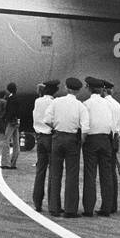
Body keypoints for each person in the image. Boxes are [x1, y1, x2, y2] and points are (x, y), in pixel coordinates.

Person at [44, 77, 88, 217]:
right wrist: (80, 140)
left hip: (57, 137)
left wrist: (56, 128)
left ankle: (54, 208)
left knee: (55, 173)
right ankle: (70, 209)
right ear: (78, 90)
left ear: (66, 88)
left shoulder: (56, 102)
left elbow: (46, 120)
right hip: (72, 139)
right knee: (72, 175)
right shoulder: (80, 106)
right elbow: (85, 128)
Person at [80, 77, 118, 217]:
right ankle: (106, 208)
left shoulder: (86, 104)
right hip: (106, 139)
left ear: (89, 88)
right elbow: (113, 125)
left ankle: (88, 208)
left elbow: (84, 124)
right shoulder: (108, 104)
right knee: (106, 174)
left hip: (91, 139)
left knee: (90, 174)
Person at [31, 81, 58, 212]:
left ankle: (37, 202)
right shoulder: (54, 103)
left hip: (39, 137)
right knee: (53, 172)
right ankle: (53, 205)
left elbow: (35, 116)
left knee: (40, 171)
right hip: (50, 137)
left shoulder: (38, 101)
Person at [101, 80, 120, 214]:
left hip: (105, 138)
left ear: (103, 91)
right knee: (112, 173)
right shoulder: (117, 104)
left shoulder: (104, 104)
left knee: (105, 174)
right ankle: (113, 204)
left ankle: (106, 206)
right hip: (115, 139)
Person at [1, 82, 21, 170]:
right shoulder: (17, 98)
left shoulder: (11, 98)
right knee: (16, 142)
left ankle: (6, 163)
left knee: (6, 141)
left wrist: (7, 119)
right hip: (16, 121)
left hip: (11, 121)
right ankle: (13, 163)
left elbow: (10, 111)